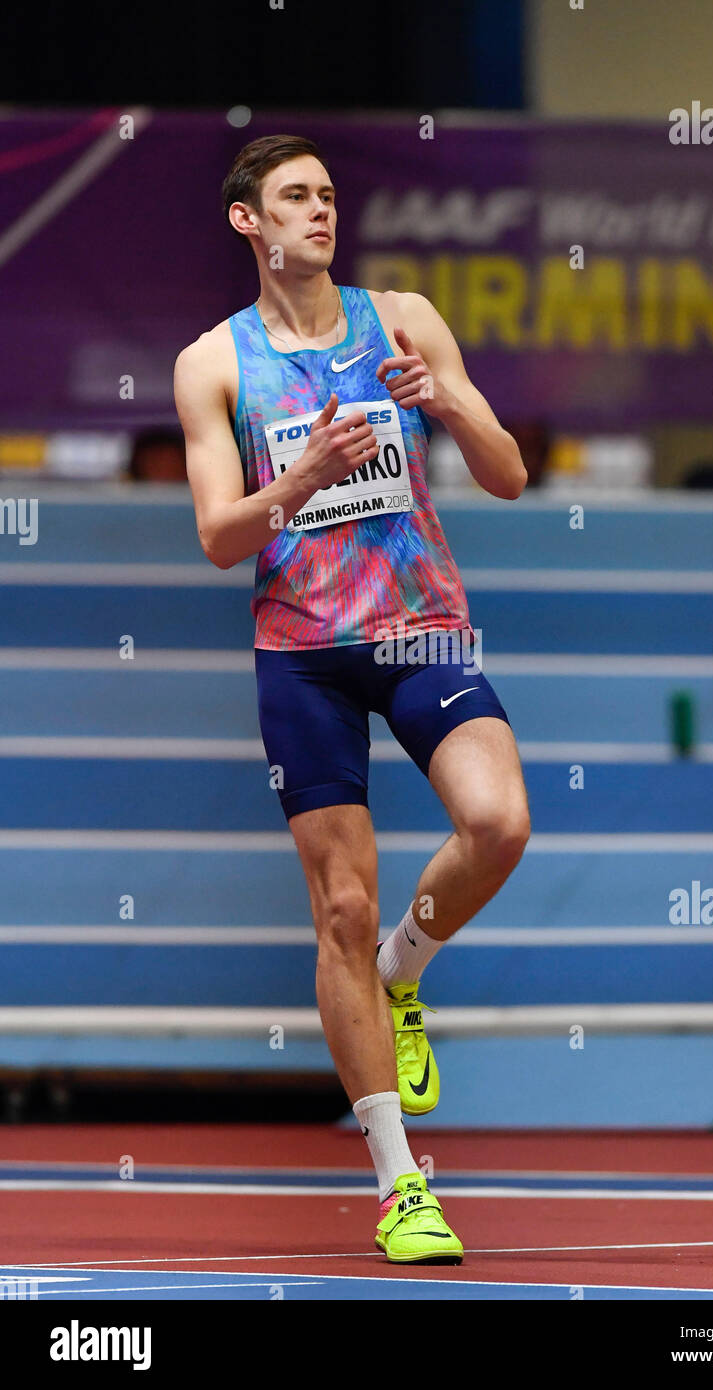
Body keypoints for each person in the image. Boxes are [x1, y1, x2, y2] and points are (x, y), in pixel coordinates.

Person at [174, 134, 530, 1264]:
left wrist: (452, 408)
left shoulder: (403, 318)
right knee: (339, 909)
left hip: (420, 626)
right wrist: (302, 478)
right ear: (248, 221)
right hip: (303, 654)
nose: (320, 212)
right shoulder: (212, 364)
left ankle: (405, 973)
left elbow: (509, 471)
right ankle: (399, 1184)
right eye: (295, 197)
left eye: (328, 195)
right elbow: (220, 537)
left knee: (499, 822)